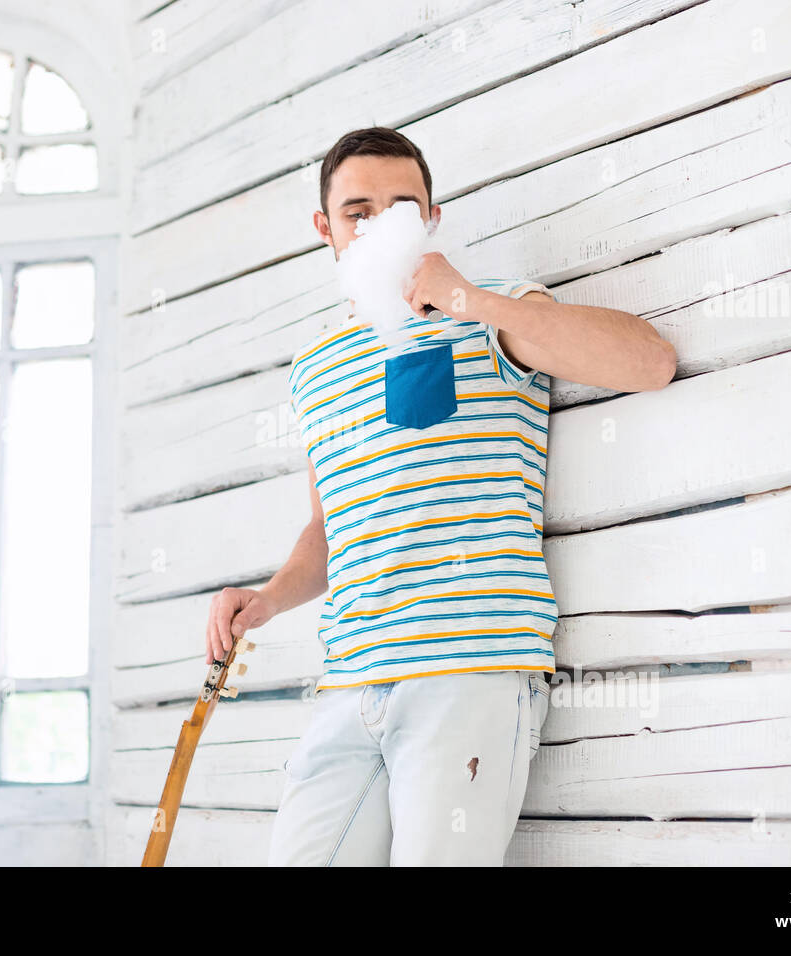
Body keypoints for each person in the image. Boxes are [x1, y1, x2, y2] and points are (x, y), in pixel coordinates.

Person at [203, 127, 677, 866]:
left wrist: (469, 298)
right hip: (349, 679)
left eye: (402, 207)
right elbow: (330, 529)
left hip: (471, 668)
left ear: (430, 219)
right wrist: (265, 600)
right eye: (358, 211)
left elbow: (648, 362)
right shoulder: (314, 366)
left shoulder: (494, 317)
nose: (381, 224)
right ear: (326, 228)